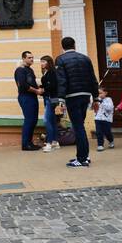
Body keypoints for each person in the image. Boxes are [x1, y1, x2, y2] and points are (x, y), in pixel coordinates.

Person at [54, 37, 99, 168]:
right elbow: (93, 78)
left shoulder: (60, 59)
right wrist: (95, 97)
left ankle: (82, 159)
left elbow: (61, 81)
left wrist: (60, 100)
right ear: (74, 45)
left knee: (78, 127)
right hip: (85, 95)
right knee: (80, 126)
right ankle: (84, 155)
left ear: (63, 47)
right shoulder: (85, 58)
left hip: (72, 96)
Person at [14, 52, 42, 151]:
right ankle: (25, 144)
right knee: (29, 120)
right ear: (23, 59)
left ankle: (30, 143)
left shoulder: (30, 70)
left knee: (34, 120)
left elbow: (32, 83)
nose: (32, 59)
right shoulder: (20, 70)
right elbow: (23, 85)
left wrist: (40, 88)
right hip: (25, 97)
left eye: (32, 58)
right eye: (29, 58)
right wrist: (37, 91)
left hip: (32, 97)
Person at [39, 55, 61, 152]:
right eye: (41, 62)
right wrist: (41, 86)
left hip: (51, 98)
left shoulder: (52, 72)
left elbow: (53, 86)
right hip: (49, 98)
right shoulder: (47, 72)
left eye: (44, 61)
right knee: (52, 121)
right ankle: (55, 142)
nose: (42, 63)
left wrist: (43, 89)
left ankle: (49, 143)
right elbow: (47, 84)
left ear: (49, 62)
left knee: (47, 120)